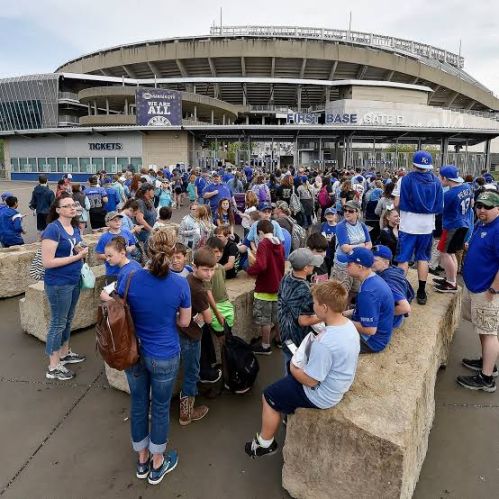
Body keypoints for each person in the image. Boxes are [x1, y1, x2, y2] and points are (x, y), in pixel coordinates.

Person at [245, 280, 360, 458]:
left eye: (314, 303)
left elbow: (311, 380)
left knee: (269, 395)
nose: (312, 306)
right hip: (337, 383)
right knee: (286, 381)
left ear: (324, 307)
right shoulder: (348, 326)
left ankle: (264, 443)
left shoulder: (326, 343)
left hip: (321, 394)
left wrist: (293, 368)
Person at [117, 229, 191, 485]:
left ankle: (142, 459)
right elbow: (184, 321)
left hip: (134, 352)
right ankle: (158, 463)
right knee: (159, 408)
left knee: (138, 403)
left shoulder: (129, 278)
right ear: (173, 253)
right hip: (165, 352)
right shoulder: (180, 283)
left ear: (146, 250)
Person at [41, 194, 88, 381]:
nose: (72, 208)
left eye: (73, 205)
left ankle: (64, 353)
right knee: (58, 322)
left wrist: (80, 250)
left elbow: (74, 246)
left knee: (68, 319)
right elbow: (47, 262)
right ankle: (53, 367)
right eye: (67, 206)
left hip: (74, 279)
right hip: (58, 283)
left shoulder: (74, 227)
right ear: (58, 210)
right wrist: (76, 257)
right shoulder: (53, 229)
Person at [456, 191, 499, 393]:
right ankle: (486, 362)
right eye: (479, 206)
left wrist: (494, 289)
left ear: (497, 208)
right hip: (475, 285)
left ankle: (487, 378)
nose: (482, 210)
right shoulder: (483, 224)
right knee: (482, 329)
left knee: (489, 332)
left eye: (487, 207)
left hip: (486, 290)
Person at [394, 151, 444, 305]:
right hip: (427, 227)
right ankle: (421, 292)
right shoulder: (436, 182)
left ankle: (400, 291)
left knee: (403, 259)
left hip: (408, 225)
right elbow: (440, 206)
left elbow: (396, 203)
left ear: (414, 164)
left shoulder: (404, 180)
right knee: (423, 258)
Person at [178, 247, 217, 426]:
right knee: (191, 372)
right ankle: (186, 413)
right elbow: (208, 318)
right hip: (191, 336)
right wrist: (203, 316)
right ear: (195, 266)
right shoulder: (199, 290)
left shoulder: (188, 280)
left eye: (212, 269)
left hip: (181, 331)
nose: (210, 273)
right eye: (206, 269)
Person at [340, 248, 395, 353]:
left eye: (349, 264)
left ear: (360, 267)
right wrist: (344, 314)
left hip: (372, 341)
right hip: (380, 334)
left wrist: (342, 321)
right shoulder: (373, 279)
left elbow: (370, 330)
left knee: (329, 338)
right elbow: (363, 310)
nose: (346, 266)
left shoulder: (368, 293)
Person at [277, 248, 323, 369]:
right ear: (306, 268)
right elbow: (303, 321)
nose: (314, 266)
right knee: (298, 365)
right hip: (298, 338)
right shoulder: (304, 290)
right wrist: (325, 316)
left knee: (288, 361)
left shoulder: (287, 277)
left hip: (284, 331)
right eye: (312, 264)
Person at [246, 220, 286, 355]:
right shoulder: (279, 243)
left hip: (265, 288)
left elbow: (262, 265)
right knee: (277, 318)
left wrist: (250, 270)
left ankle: (265, 346)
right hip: (277, 285)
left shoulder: (264, 244)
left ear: (260, 232)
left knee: (265, 320)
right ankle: (280, 340)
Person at [433, 165, 473, 293]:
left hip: (452, 226)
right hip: (464, 223)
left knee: (444, 253)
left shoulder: (449, 194)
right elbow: (471, 204)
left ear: (445, 178)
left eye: (440, 176)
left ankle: (451, 283)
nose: (439, 179)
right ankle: (452, 279)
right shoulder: (467, 187)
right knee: (451, 253)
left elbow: (438, 210)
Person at [331, 200, 372, 294]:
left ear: (357, 212)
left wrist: (357, 248)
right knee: (341, 293)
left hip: (357, 265)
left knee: (354, 292)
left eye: (351, 211)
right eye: (345, 210)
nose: (347, 213)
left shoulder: (362, 225)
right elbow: (345, 248)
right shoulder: (341, 226)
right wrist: (361, 246)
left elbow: (369, 244)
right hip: (343, 265)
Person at [371, 245, 412, 329]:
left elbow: (405, 308)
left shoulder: (389, 280)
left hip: (392, 320)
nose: (370, 262)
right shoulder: (389, 270)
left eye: (374, 260)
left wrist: (379, 313)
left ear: (386, 262)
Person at [95, 212, 136, 284]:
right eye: (114, 220)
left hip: (128, 269)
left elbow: (133, 244)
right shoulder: (104, 237)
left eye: (119, 219)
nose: (117, 222)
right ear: (107, 223)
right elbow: (98, 255)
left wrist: (130, 248)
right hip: (113, 272)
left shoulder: (126, 232)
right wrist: (112, 256)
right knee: (113, 293)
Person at [99, 236, 142, 301]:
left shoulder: (126, 272)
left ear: (122, 253)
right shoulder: (134, 264)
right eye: (106, 256)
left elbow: (128, 301)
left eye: (110, 256)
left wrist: (108, 299)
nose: (107, 259)